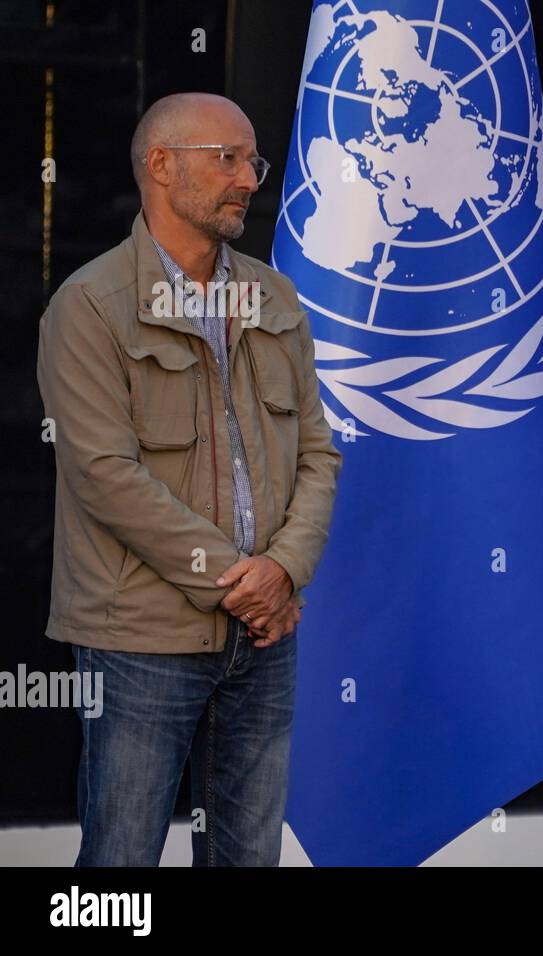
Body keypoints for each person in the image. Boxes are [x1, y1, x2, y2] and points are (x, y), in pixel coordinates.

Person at [36, 92, 343, 865]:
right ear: (161, 167)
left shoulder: (274, 298)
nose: (248, 177)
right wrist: (236, 579)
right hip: (140, 639)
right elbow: (105, 475)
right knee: (120, 862)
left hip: (266, 637)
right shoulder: (91, 306)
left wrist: (282, 572)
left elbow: (319, 452)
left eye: (254, 161)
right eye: (228, 159)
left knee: (248, 858)